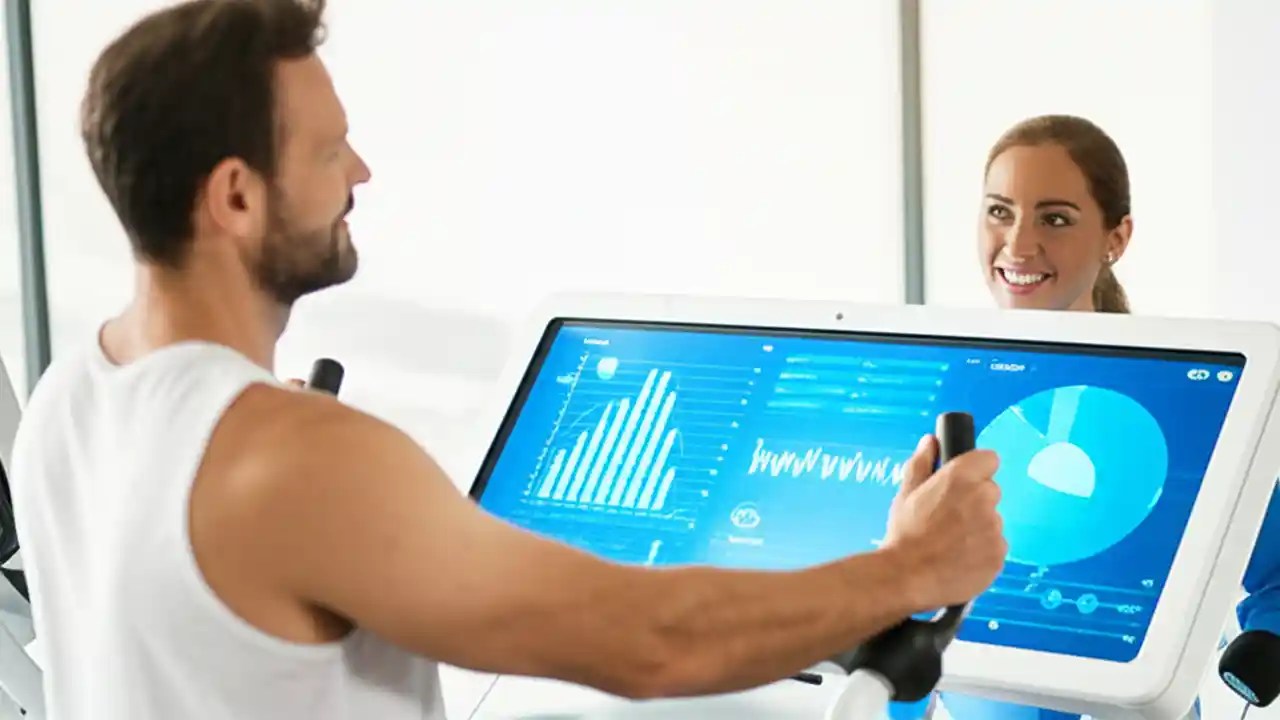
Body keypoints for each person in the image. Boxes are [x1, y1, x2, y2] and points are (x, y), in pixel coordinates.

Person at [8, 1, 1008, 718]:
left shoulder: (70, 397)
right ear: (235, 196)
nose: (361, 171)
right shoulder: (287, 457)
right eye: (327, 151)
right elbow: (649, 641)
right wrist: (913, 566)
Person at [918, 113, 1280, 720]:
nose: (1019, 245)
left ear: (1117, 237)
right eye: (1000, 212)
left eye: (1055, 218)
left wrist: (1266, 643)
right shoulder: (940, 388)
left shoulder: (1188, 401)